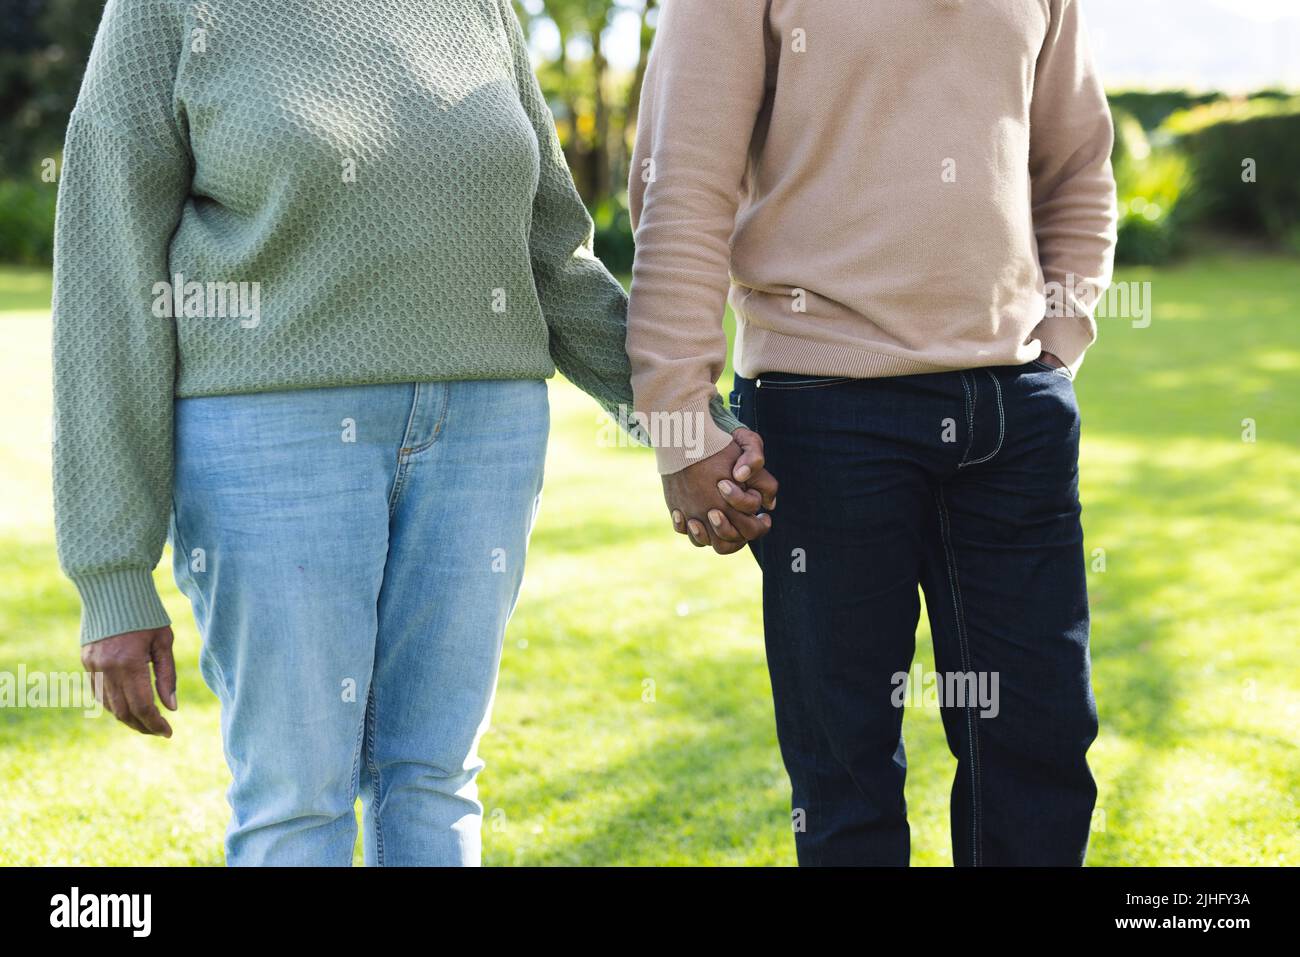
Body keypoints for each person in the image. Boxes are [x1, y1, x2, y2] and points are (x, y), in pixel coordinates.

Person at [52, 0, 774, 866]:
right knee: (296, 796)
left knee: (434, 779)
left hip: (486, 433)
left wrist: (689, 426)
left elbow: (552, 255)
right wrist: (111, 574)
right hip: (272, 440)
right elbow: (106, 270)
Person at [627, 0, 1118, 865]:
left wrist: (1059, 340)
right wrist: (680, 417)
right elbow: (680, 176)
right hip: (826, 416)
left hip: (1014, 417)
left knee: (1039, 752)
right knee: (844, 776)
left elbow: (1076, 159)